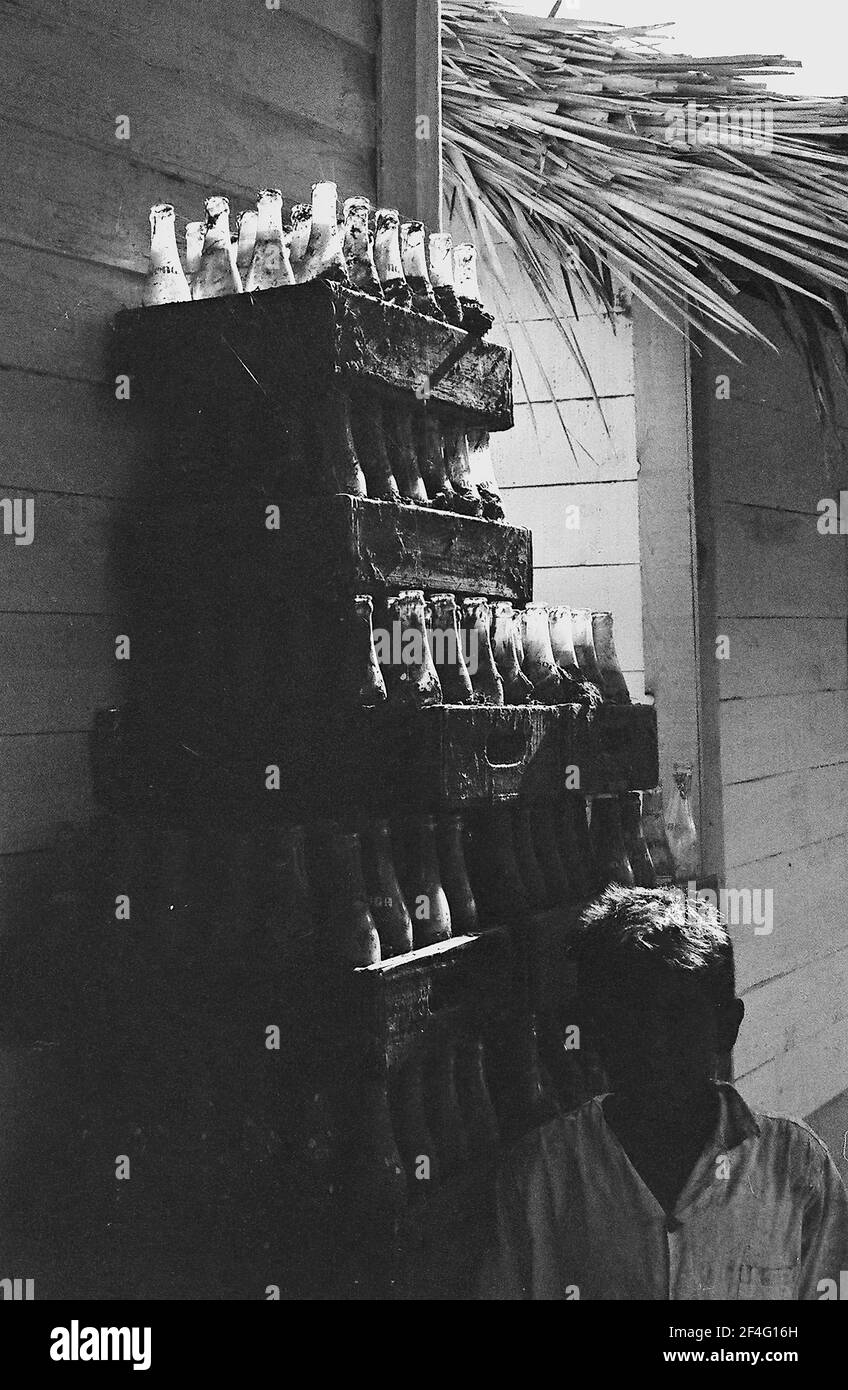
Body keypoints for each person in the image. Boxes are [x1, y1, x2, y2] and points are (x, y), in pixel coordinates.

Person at [480, 884, 848, 1299]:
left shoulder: (795, 1167)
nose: (653, 1043)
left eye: (677, 1016)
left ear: (726, 1026)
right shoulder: (543, 1174)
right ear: (595, 1031)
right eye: (626, 1018)